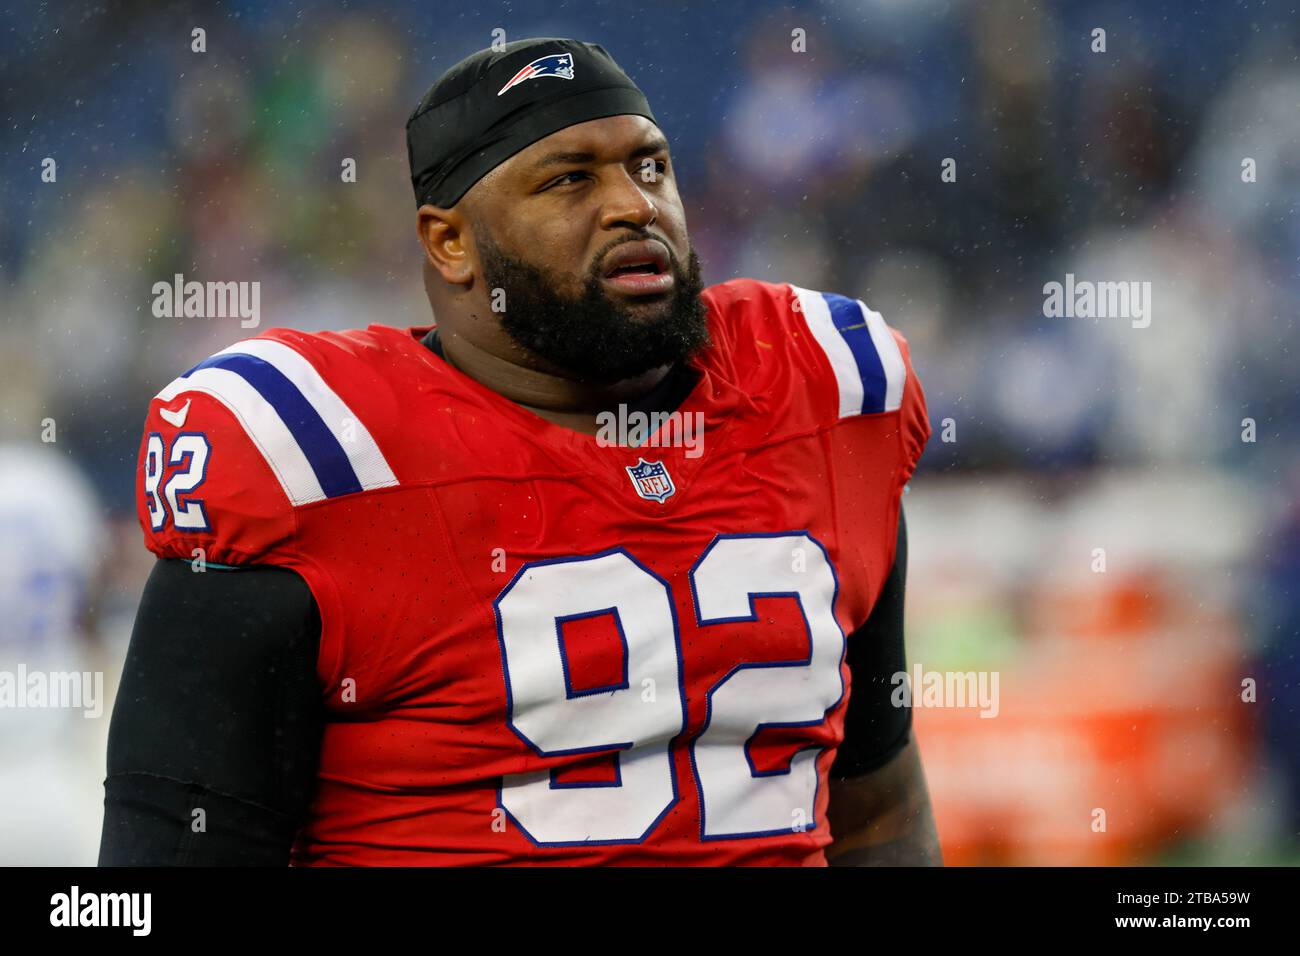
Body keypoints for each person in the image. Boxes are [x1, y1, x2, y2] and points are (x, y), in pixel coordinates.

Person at [100, 36, 939, 866]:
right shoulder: (319, 454)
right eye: (570, 179)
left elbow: (877, 811)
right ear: (450, 244)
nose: (634, 205)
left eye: (649, 167)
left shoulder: (819, 392)